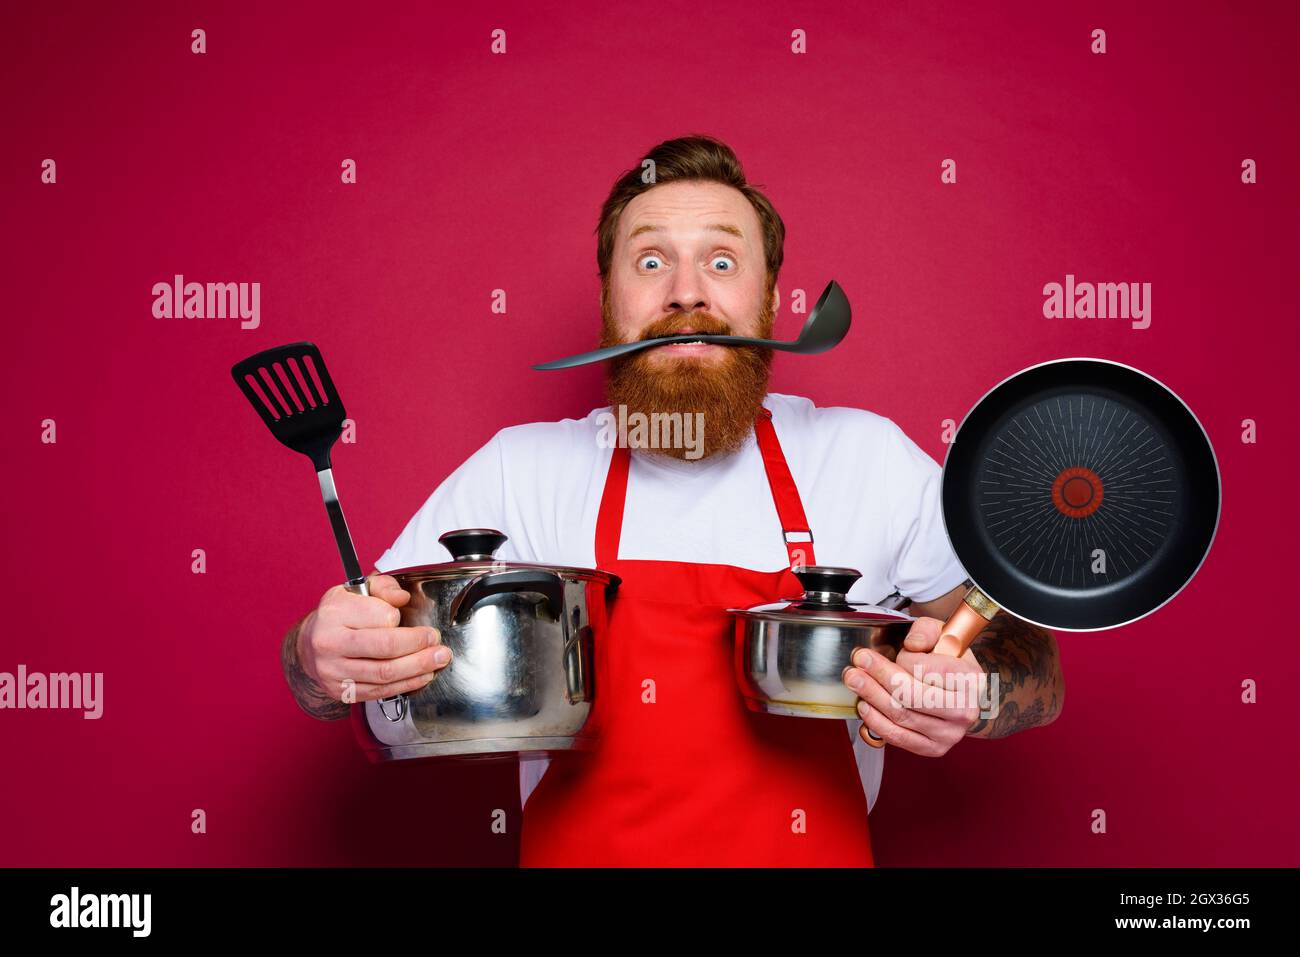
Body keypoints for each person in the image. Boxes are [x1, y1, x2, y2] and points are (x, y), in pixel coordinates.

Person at [278, 135, 1065, 867]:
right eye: (650, 261)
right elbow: (334, 668)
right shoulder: (521, 472)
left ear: (770, 298)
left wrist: (975, 694)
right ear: (608, 296)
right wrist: (321, 656)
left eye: (722, 262)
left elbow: (1033, 661)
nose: (687, 293)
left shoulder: (863, 458)